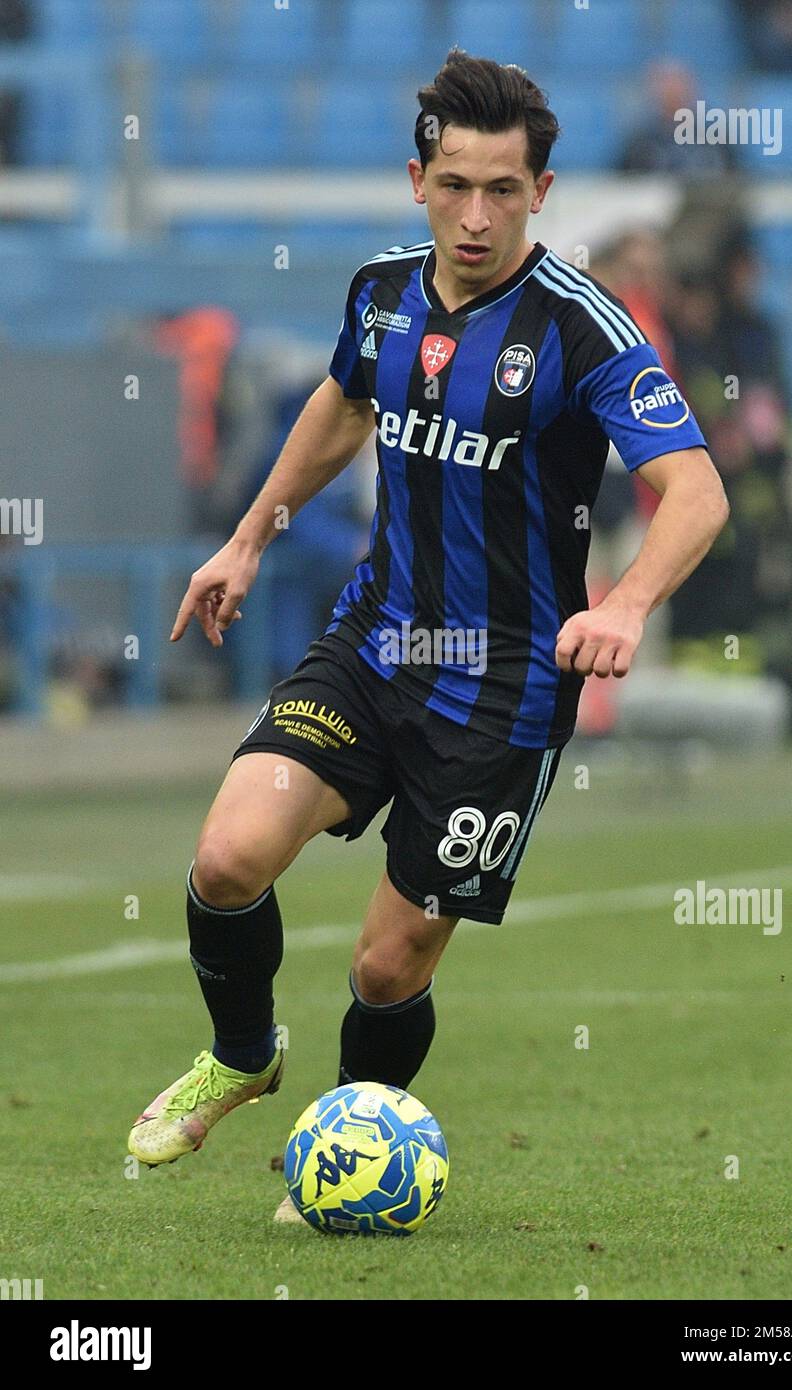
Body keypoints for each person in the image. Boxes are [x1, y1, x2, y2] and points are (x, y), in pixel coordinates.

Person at [126, 50, 729, 1225]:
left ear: (540, 193)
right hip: (377, 642)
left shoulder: (580, 327)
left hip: (502, 691)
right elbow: (344, 400)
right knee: (225, 859)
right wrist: (248, 537)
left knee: (385, 967)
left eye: (502, 189)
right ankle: (243, 1055)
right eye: (454, 184)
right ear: (417, 180)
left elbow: (694, 491)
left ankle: (340, 1161)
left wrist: (623, 604)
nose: (474, 214)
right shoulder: (381, 292)